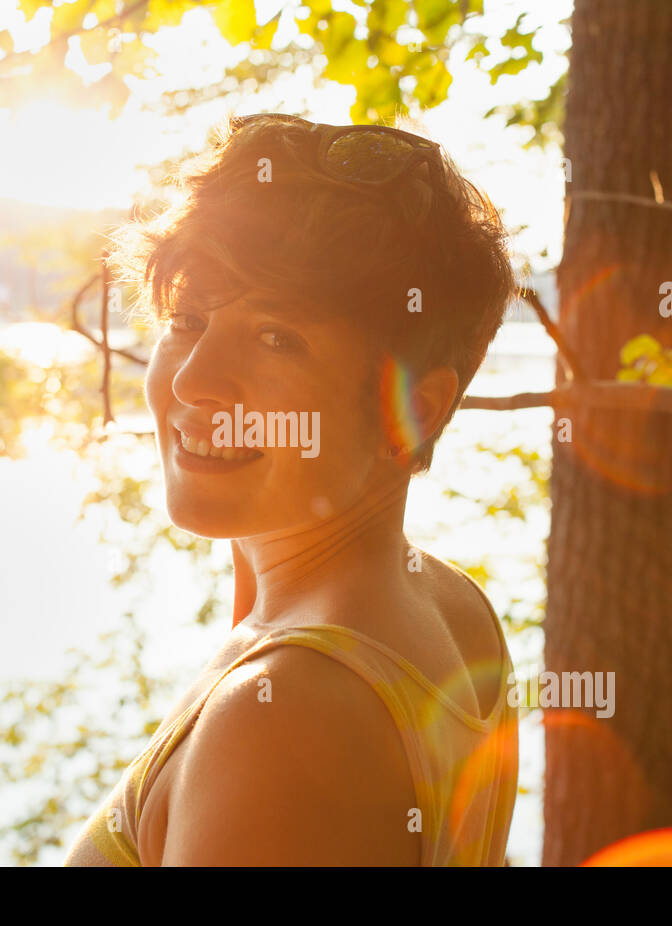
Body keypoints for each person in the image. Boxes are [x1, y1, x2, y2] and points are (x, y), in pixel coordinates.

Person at [65, 112, 518, 866]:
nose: (192, 381)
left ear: (413, 409)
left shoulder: (281, 722)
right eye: (188, 319)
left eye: (279, 337)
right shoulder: (451, 607)